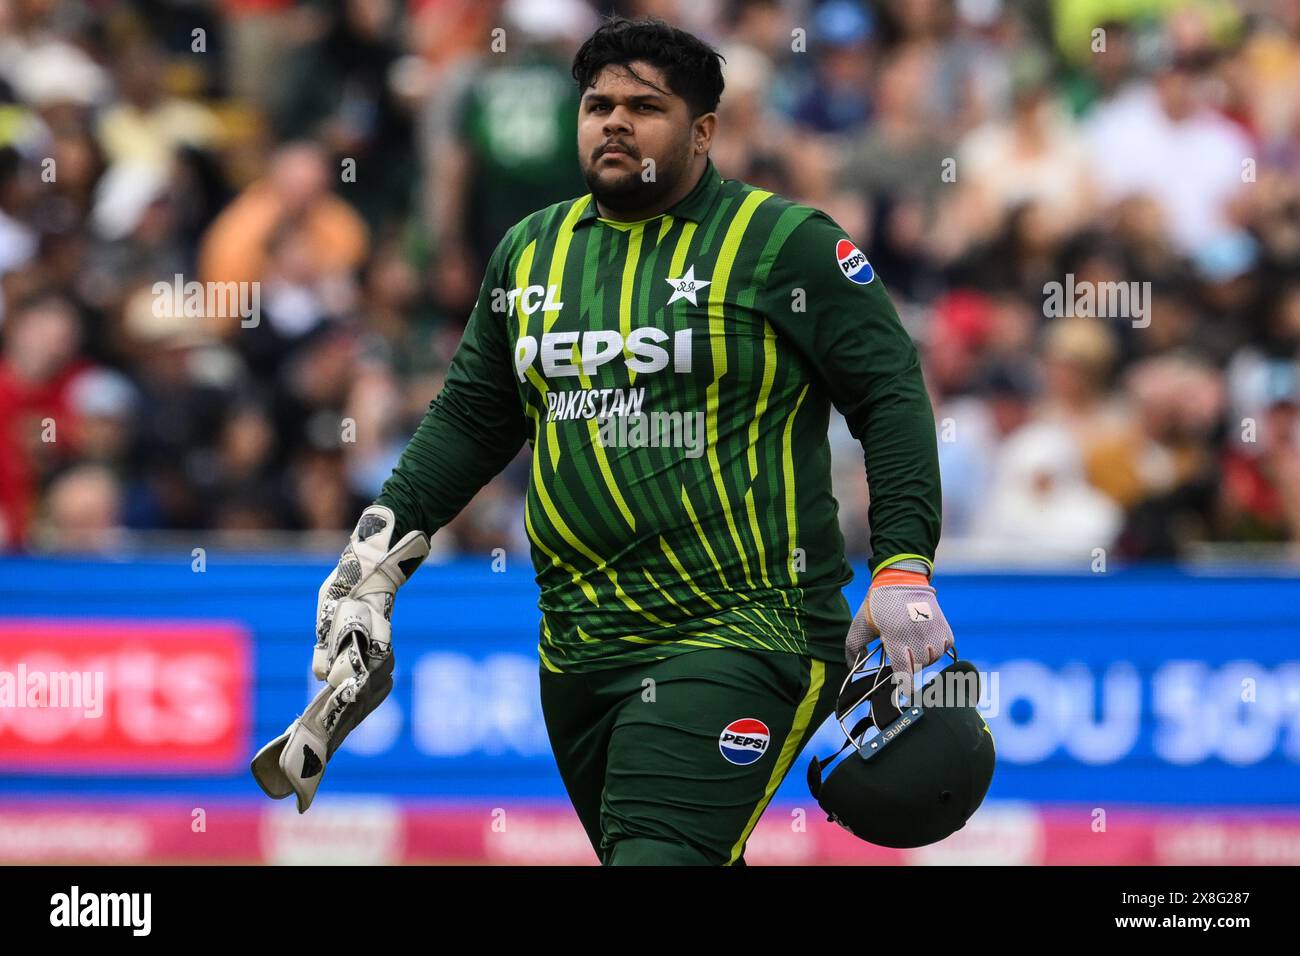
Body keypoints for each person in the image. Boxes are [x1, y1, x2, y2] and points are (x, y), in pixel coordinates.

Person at [270, 16, 951, 866]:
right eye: (597, 104)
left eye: (645, 106)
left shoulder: (789, 246)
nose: (614, 122)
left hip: (746, 629)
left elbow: (889, 397)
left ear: (703, 131)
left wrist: (901, 566)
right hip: (577, 647)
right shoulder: (528, 251)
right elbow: (474, 418)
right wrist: (374, 561)